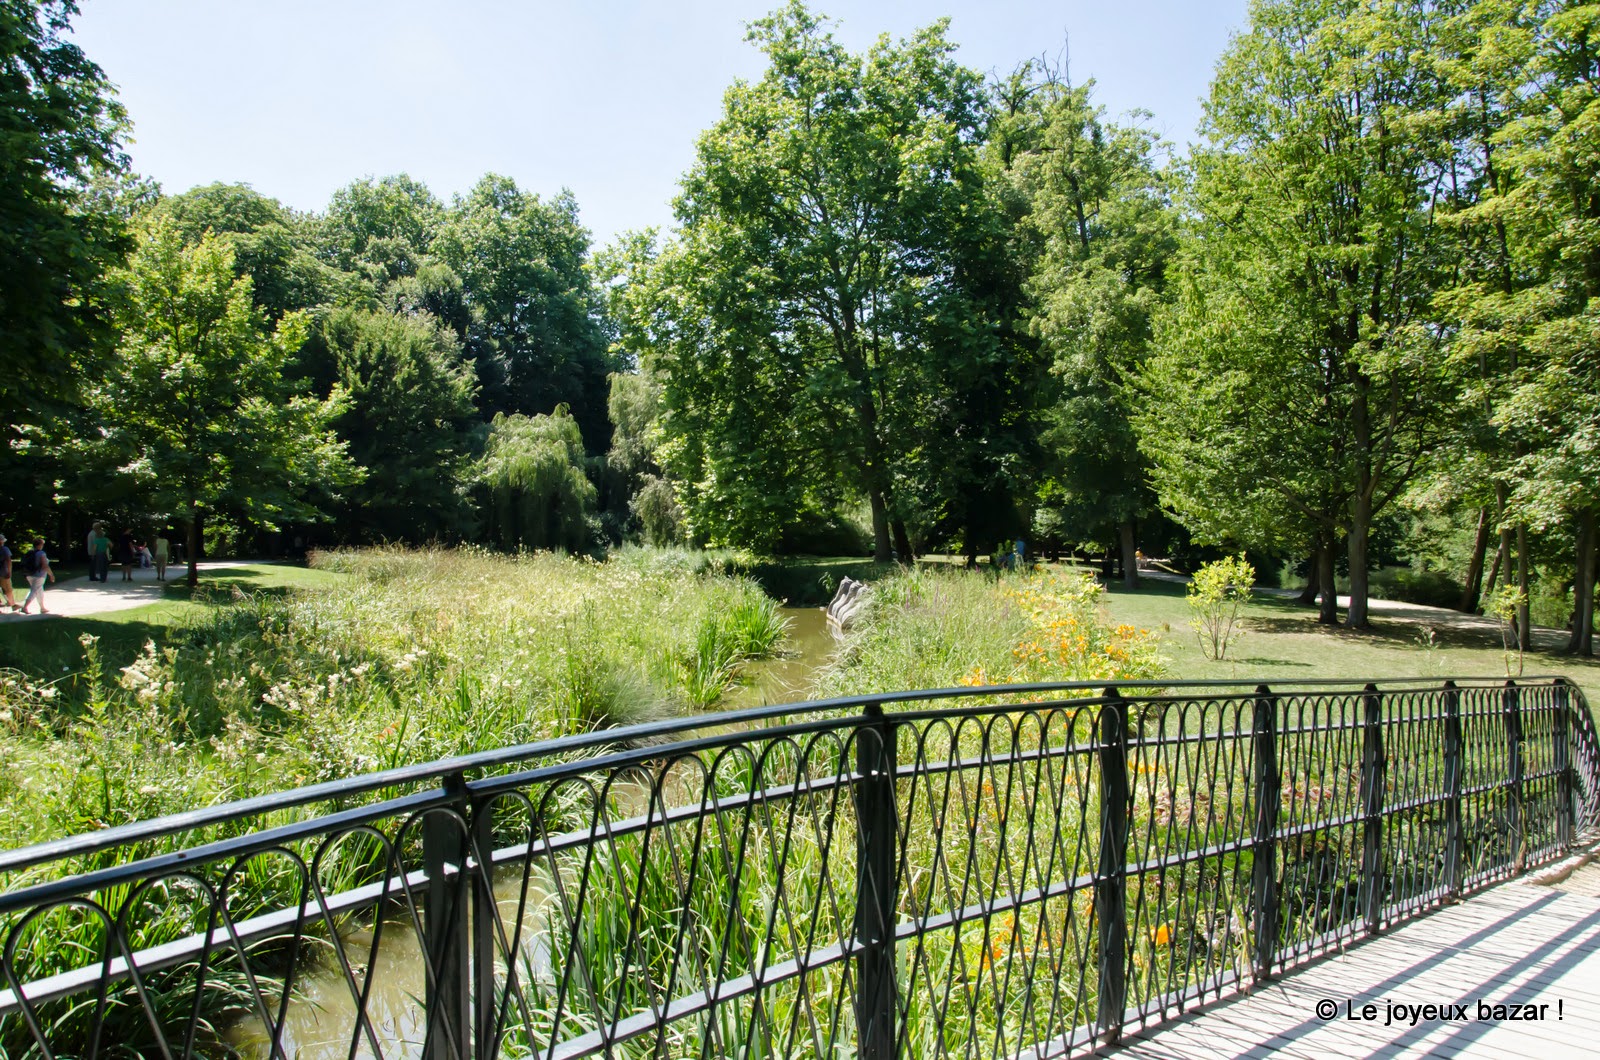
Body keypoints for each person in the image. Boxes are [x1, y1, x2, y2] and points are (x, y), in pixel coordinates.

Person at [19, 537, 54, 614]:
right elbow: (45, 566)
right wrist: (51, 575)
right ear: (40, 544)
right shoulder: (41, 553)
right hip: (39, 575)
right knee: (34, 591)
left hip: (29, 574)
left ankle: (42, 608)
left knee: (39, 590)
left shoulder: (30, 553)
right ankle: (25, 607)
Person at [0, 534, 16, 612]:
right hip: (3, 573)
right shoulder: (5, 549)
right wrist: (9, 572)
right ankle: (12, 605)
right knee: (8, 590)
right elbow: (9, 561)